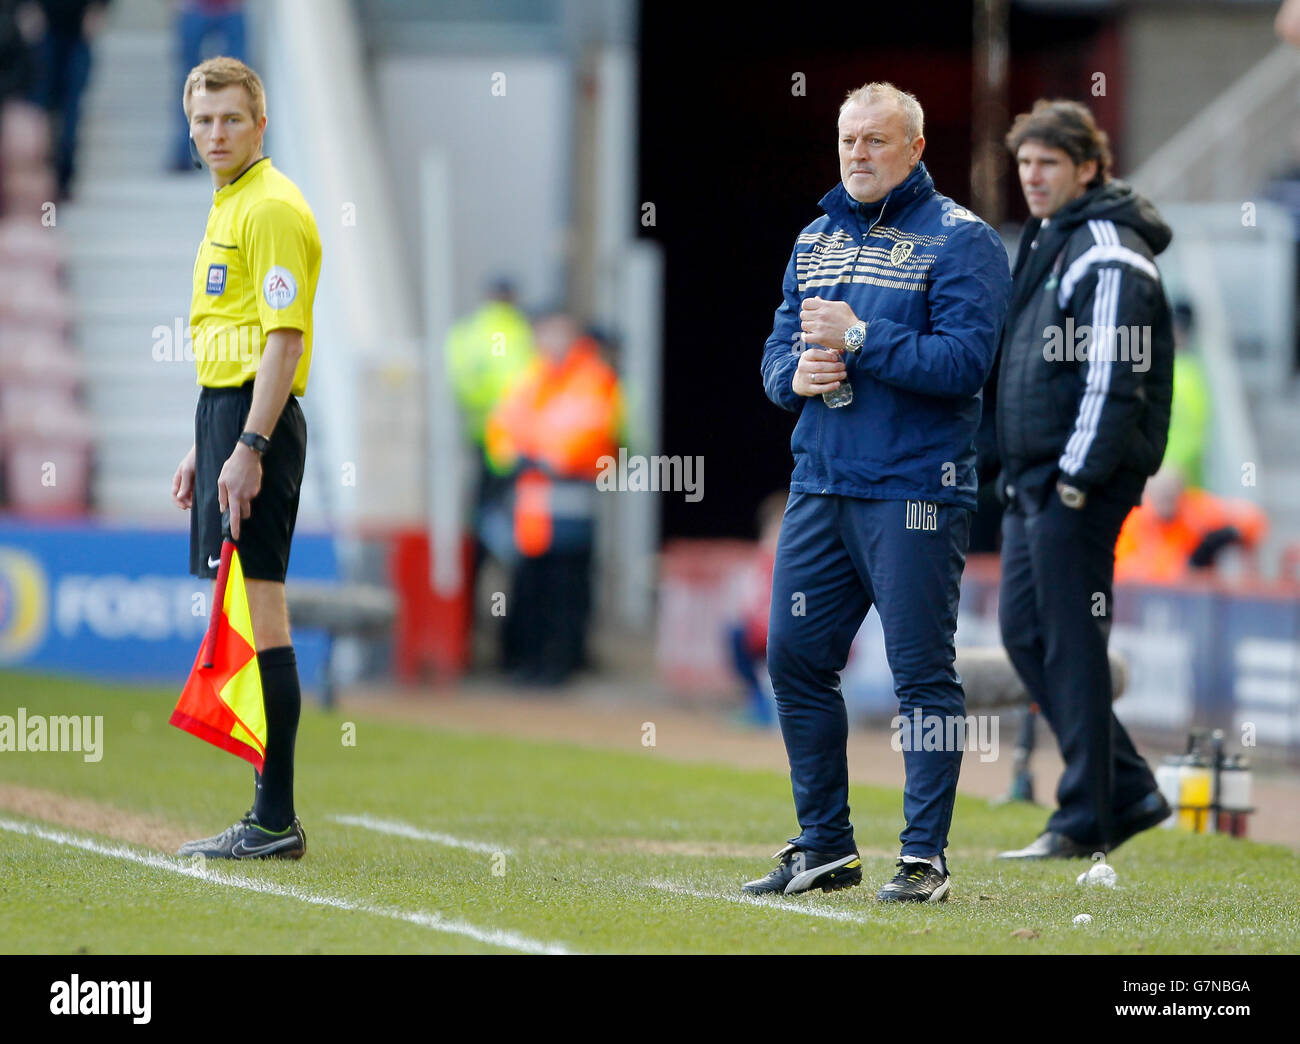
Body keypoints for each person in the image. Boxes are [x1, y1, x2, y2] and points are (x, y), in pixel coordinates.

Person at [748, 82, 1011, 903]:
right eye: (848, 140)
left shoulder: (962, 240)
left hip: (913, 489)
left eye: (876, 140)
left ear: (916, 149)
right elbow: (774, 356)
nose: (858, 154)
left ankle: (923, 858)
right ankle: (825, 844)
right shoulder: (814, 237)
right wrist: (796, 373)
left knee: (920, 676)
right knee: (793, 661)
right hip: (822, 482)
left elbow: (965, 365)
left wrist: (859, 339)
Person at [995, 99, 1174, 860]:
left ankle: (1085, 816)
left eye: (1049, 164)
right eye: (1025, 163)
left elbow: (1114, 372)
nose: (1032, 177)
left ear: (1089, 168)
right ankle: (1127, 787)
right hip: (1035, 478)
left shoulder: (1107, 246)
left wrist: (1076, 477)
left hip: (1077, 484)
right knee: (1025, 632)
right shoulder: (1050, 238)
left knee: (1070, 640)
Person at [169, 56, 321, 859]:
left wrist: (251, 444)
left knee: (262, 611)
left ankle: (274, 819)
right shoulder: (232, 202)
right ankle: (269, 814)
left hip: (257, 421)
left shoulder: (269, 208)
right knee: (246, 610)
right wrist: (207, 442)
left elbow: (284, 338)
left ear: (260, 123)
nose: (214, 133)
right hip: (228, 414)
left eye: (230, 118)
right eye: (202, 120)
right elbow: (229, 335)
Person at [484, 311, 621, 686]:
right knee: (529, 593)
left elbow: (592, 435)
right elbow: (501, 431)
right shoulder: (529, 379)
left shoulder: (593, 379)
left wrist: (541, 455)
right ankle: (527, 664)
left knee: (568, 594)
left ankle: (562, 665)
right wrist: (523, 456)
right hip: (531, 518)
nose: (553, 343)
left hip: (573, 517)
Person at [1114, 466, 1267, 584]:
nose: (1166, 499)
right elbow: (1124, 571)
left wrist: (1231, 534)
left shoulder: (1195, 511)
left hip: (1195, 600)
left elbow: (1253, 520)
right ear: (1147, 492)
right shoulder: (1132, 522)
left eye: (1171, 493)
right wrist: (1186, 565)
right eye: (1160, 493)